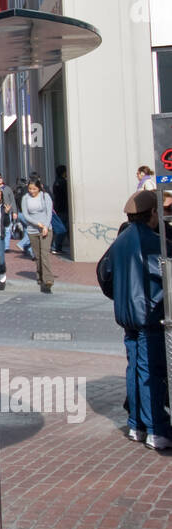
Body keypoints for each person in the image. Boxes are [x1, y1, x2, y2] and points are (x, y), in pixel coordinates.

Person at [98, 190, 171, 451]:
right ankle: (156, 429)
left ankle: (136, 425)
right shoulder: (151, 242)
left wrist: (120, 296)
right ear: (152, 213)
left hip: (127, 315)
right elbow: (166, 274)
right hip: (148, 315)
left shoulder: (120, 240)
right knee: (150, 370)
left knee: (135, 368)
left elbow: (103, 273)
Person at [21, 178, 55, 292]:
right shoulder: (25, 198)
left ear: (39, 187)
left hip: (46, 229)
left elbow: (49, 212)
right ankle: (40, 276)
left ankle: (48, 280)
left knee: (44, 254)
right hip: (32, 230)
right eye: (30, 189)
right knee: (38, 255)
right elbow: (26, 215)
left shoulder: (45, 196)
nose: (32, 191)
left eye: (34, 189)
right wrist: (38, 224)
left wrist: (45, 226)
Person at [0, 172, 18, 252]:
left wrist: (14, 211)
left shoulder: (7, 188)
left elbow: (12, 200)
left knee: (7, 229)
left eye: (0, 178)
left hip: (7, 211)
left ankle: (6, 247)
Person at [51, 164, 69, 255]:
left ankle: (57, 246)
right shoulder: (63, 182)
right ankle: (56, 246)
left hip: (58, 208)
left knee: (62, 228)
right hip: (63, 208)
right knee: (62, 228)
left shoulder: (56, 182)